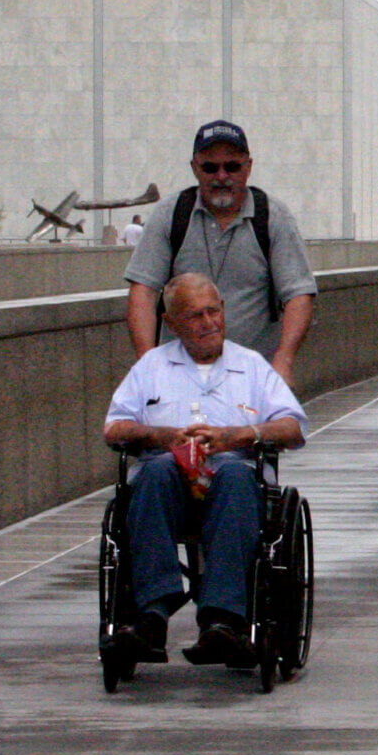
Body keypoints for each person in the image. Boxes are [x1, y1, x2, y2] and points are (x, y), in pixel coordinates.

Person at [104, 272, 308, 667]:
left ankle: (222, 618)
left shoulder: (251, 365)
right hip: (169, 484)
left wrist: (237, 436)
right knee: (156, 472)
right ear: (171, 323)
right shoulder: (151, 365)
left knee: (234, 476)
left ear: (224, 311)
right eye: (194, 315)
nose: (207, 323)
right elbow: (114, 427)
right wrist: (161, 436)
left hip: (233, 483)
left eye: (213, 311)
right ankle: (152, 615)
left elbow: (293, 427)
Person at [123, 119, 318, 387]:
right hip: (179, 377)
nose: (222, 176)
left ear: (248, 167)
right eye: (210, 167)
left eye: (233, 166)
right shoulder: (170, 214)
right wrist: (146, 364)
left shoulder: (274, 216)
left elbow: (298, 295)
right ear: (195, 168)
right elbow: (143, 291)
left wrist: (283, 362)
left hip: (253, 378)